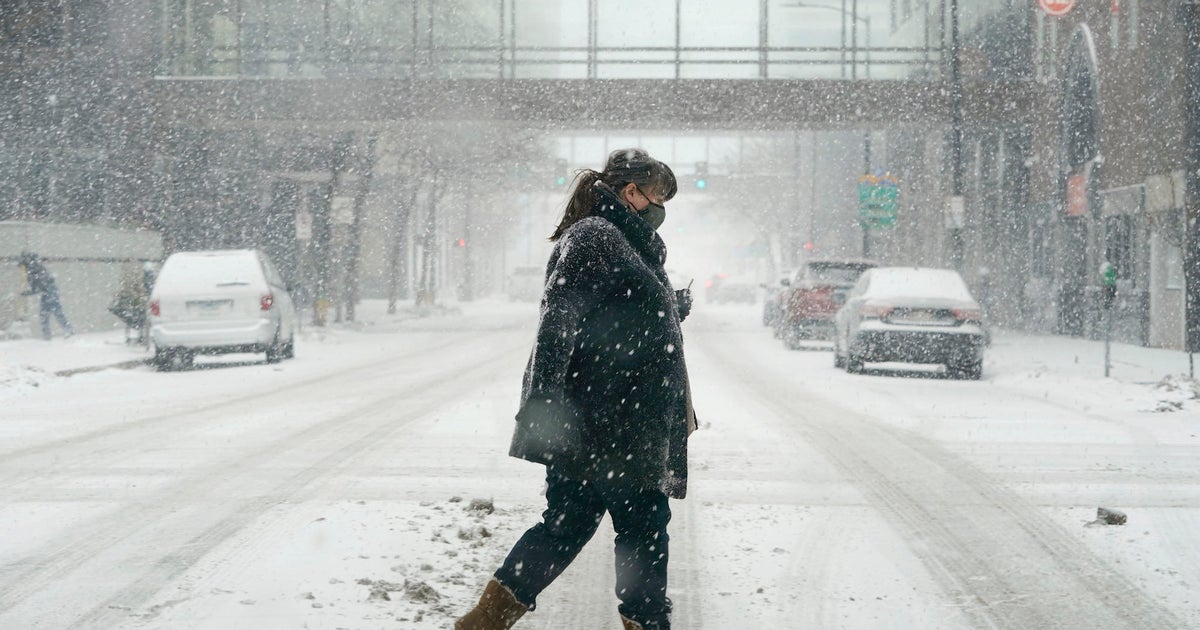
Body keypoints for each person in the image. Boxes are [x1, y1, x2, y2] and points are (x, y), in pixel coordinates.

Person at [455, 149, 695, 630]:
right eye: (658, 198)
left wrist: (668, 306)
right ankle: (646, 624)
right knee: (642, 530)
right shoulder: (595, 238)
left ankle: (485, 620)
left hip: (610, 418)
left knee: (569, 525)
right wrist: (544, 400)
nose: (660, 210)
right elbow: (558, 322)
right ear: (632, 193)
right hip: (613, 421)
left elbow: (612, 312)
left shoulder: (620, 239)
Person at [17, 252, 74, 340]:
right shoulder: (36, 267)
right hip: (47, 291)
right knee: (45, 314)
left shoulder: (32, 270)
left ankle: (66, 331)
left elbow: (36, 288)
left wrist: (26, 293)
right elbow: (39, 285)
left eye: (22, 266)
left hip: (49, 291)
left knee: (55, 311)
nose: (22, 269)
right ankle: (48, 335)